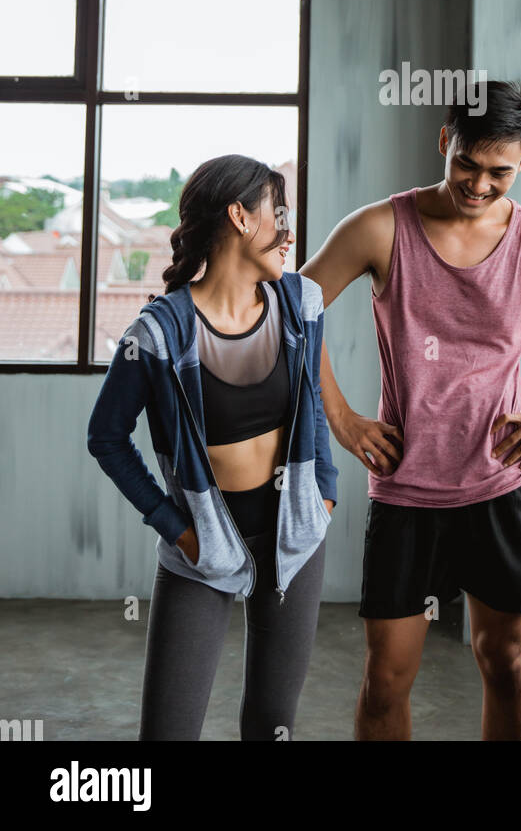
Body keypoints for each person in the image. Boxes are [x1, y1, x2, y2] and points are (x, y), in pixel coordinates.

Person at [300, 79, 521, 741]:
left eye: (499, 172)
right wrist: (342, 418)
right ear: (446, 141)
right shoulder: (380, 227)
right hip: (406, 489)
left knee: (503, 660)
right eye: (467, 163)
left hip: (498, 486)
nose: (479, 183)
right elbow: (293, 314)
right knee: (386, 680)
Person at [86, 155, 337, 741]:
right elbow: (106, 438)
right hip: (203, 544)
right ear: (240, 217)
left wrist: (323, 488)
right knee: (167, 733)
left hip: (294, 536)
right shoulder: (158, 332)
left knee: (272, 725)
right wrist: (175, 526)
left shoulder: (302, 304)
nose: (289, 231)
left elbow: (314, 401)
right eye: (278, 214)